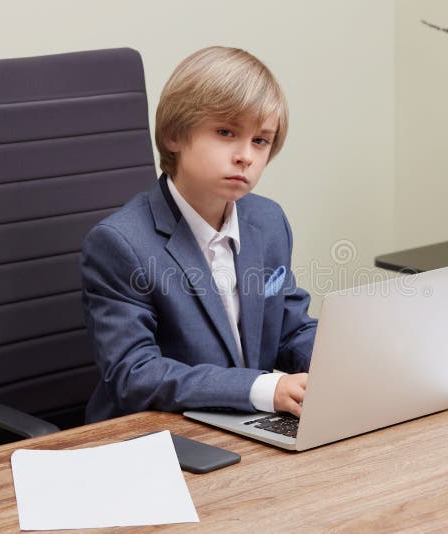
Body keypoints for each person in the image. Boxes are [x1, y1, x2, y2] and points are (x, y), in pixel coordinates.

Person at [81, 46, 318, 424]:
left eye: (261, 140)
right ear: (175, 135)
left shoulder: (268, 221)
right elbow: (135, 375)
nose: (246, 156)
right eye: (226, 132)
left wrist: (343, 363)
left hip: (248, 425)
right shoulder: (120, 244)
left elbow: (290, 330)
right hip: (159, 438)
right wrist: (261, 389)